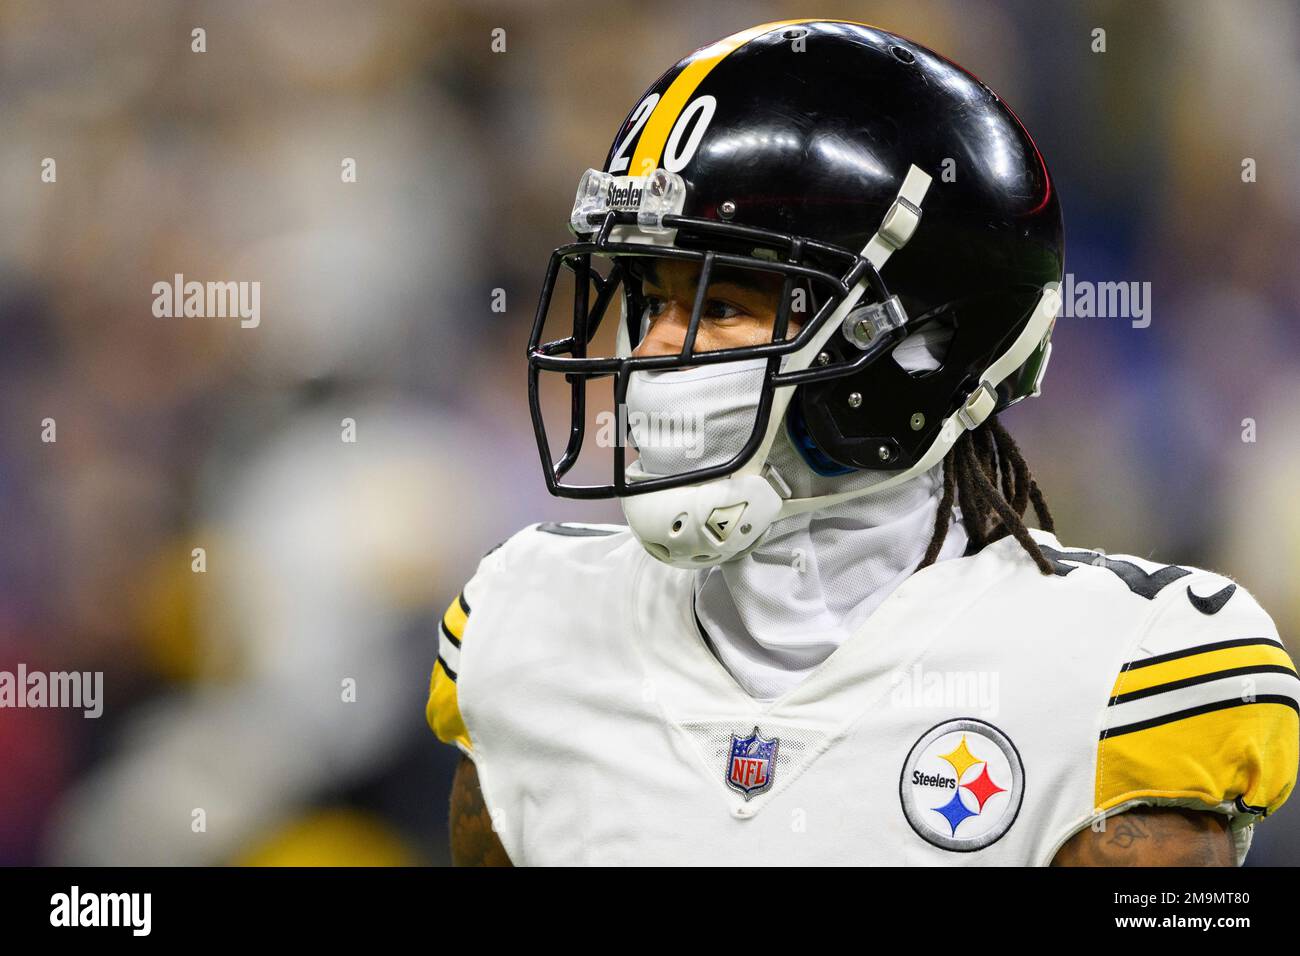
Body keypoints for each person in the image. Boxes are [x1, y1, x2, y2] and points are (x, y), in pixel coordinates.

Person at [427, 19, 1298, 866]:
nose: (652, 347)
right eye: (651, 299)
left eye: (721, 306)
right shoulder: (530, 629)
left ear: (921, 347)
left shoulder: (1111, 677)